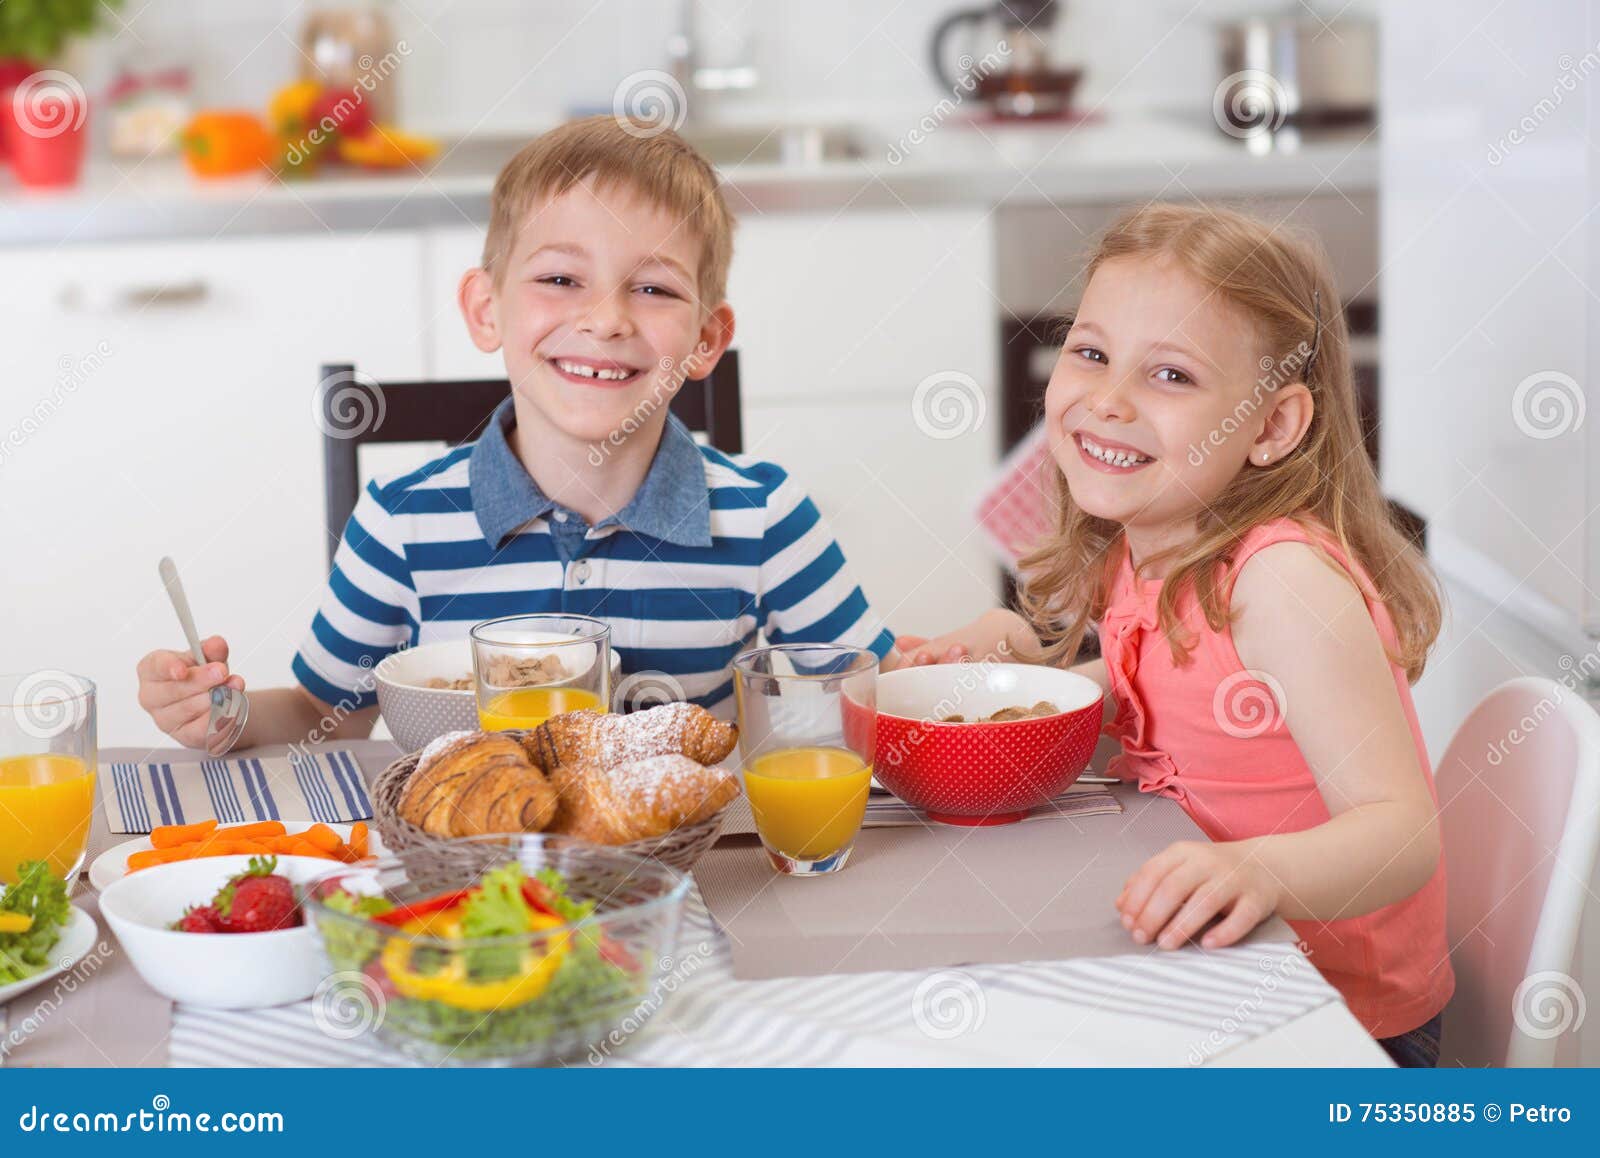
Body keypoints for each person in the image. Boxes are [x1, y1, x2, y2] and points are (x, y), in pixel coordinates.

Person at [136, 115, 893, 748]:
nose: (605, 319)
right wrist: (220, 714)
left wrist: (994, 643)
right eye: (562, 279)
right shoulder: (402, 523)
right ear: (486, 309)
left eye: (654, 288)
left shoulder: (767, 519)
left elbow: (882, 695)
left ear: (704, 339)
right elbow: (316, 715)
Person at [900, 203, 1452, 1066]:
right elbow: (1167, 699)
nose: (1108, 401)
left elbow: (1403, 833)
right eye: (1090, 353)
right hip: (1208, 977)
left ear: (1270, 427)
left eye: (1171, 377)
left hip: (1339, 1024)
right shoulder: (1151, 541)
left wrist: (1261, 870)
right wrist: (1023, 658)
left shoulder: (1281, 583)